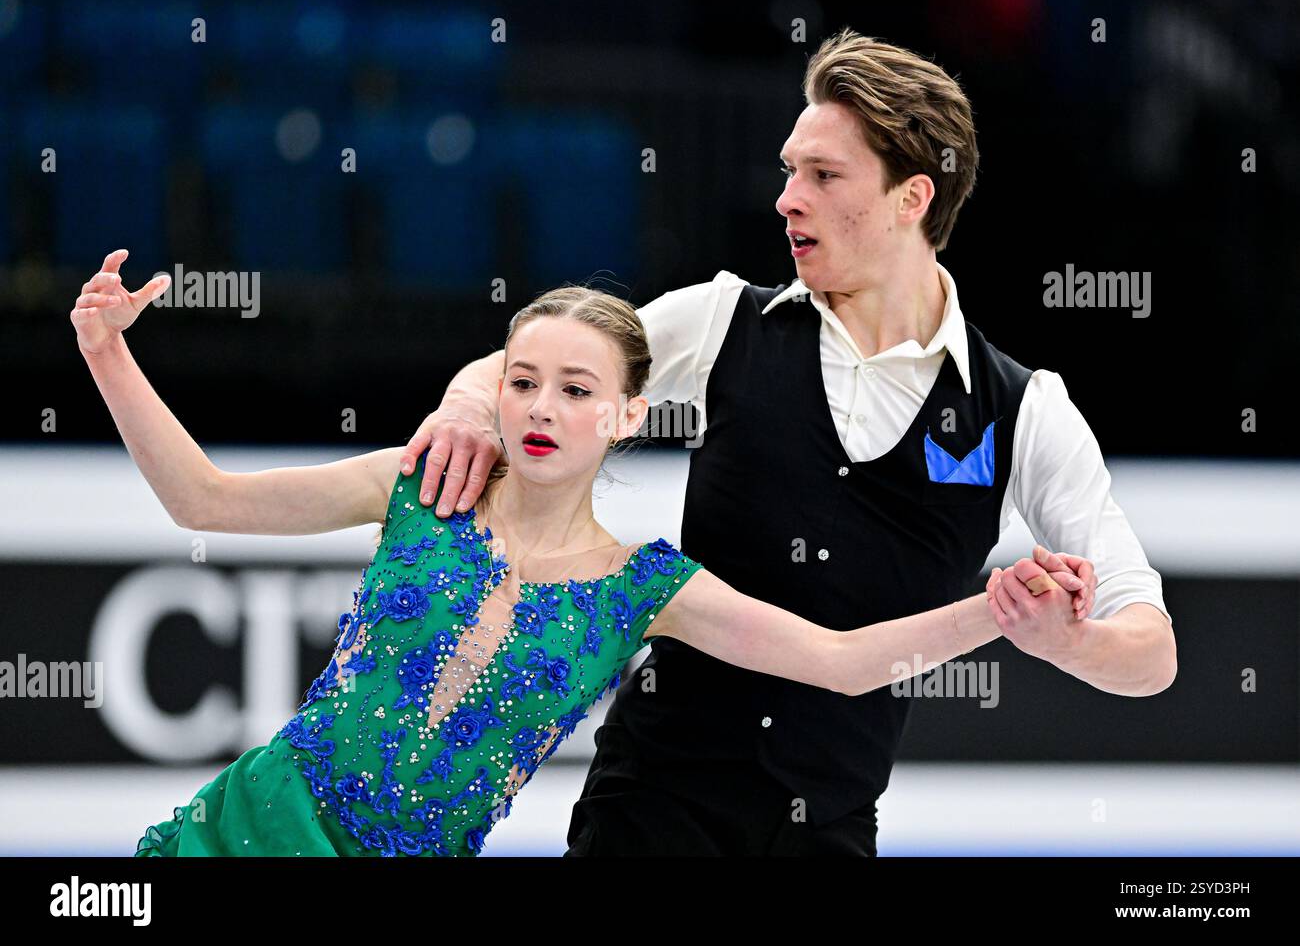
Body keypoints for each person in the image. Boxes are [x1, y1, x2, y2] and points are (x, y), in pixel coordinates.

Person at [400, 29, 1176, 856]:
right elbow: (525, 367)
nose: (786, 199)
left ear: (912, 199)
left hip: (828, 829)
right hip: (653, 808)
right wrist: (462, 407)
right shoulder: (722, 321)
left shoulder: (1024, 409)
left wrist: (1068, 641)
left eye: (823, 175)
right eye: (789, 170)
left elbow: (1153, 652)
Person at [70, 252, 1085, 856]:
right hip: (245, 830)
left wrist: (997, 608)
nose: (541, 407)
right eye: (521, 381)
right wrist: (108, 354)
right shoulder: (424, 488)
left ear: (626, 414)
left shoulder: (642, 584)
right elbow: (199, 496)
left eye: (572, 387)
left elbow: (841, 659)